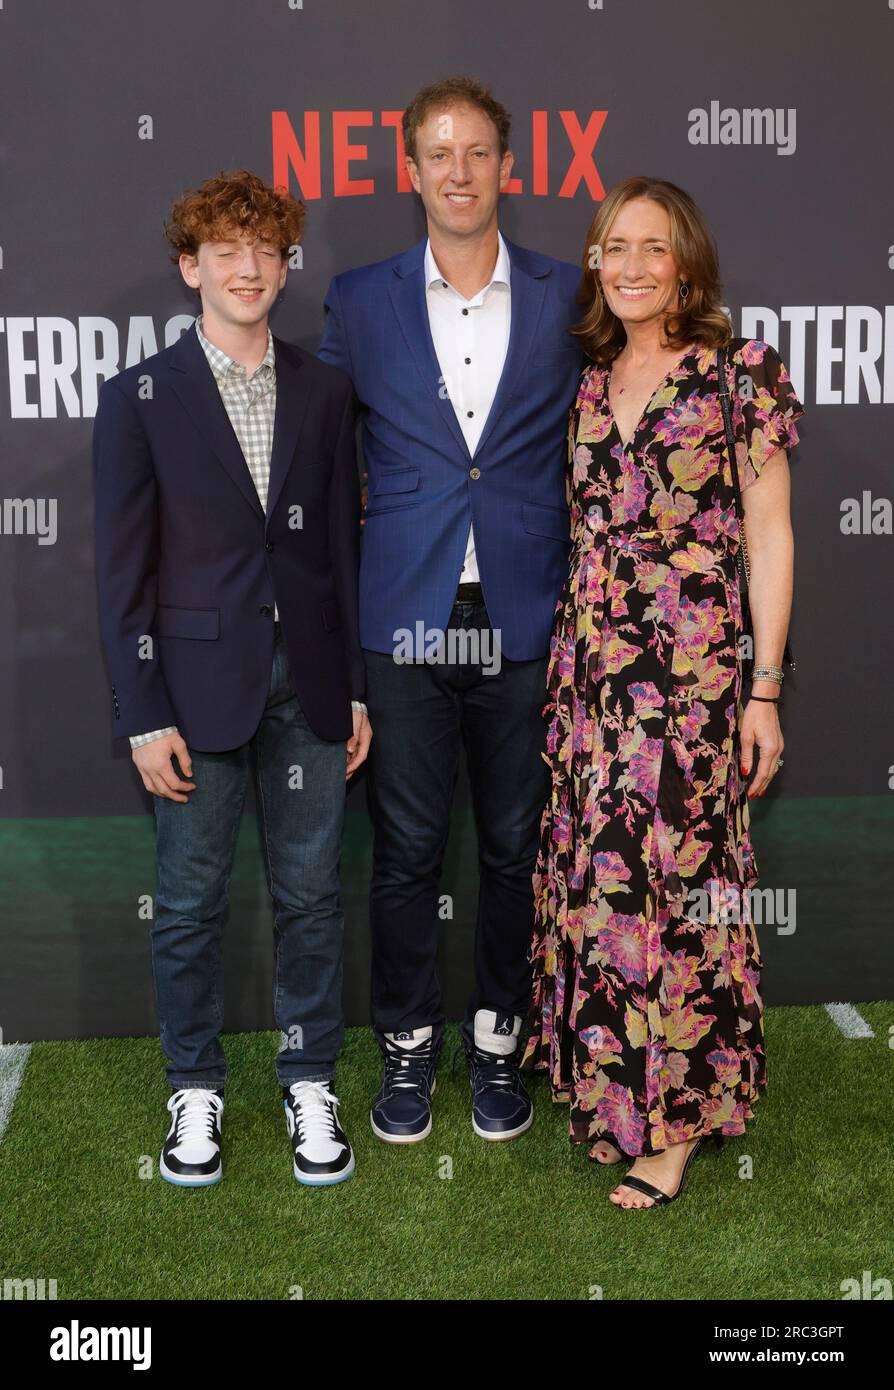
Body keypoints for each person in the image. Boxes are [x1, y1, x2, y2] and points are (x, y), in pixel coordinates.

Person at [522, 176, 804, 1207]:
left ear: (687, 263)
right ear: (595, 264)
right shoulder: (593, 380)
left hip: (694, 676)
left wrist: (764, 690)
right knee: (600, 878)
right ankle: (616, 1092)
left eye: (653, 247)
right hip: (593, 672)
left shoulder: (740, 373)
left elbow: (769, 536)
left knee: (680, 883)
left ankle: (678, 1118)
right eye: (614, 247)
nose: (631, 266)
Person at [319, 76, 585, 1143]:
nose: (460, 172)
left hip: (525, 609)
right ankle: (407, 1045)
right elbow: (324, 463)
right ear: (411, 171)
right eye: (440, 154)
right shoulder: (357, 299)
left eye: (478, 152)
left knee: (516, 845)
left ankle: (498, 1040)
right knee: (406, 849)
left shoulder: (571, 294)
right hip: (405, 615)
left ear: (508, 168)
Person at [93, 169, 371, 1187]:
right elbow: (122, 569)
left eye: (265, 250)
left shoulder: (324, 390)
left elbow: (338, 550)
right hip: (192, 692)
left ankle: (309, 1078)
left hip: (311, 687)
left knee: (311, 898)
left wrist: (354, 687)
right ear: (190, 267)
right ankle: (195, 1085)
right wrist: (141, 713)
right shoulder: (141, 397)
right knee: (188, 903)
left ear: (285, 265)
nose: (248, 268)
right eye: (225, 251)